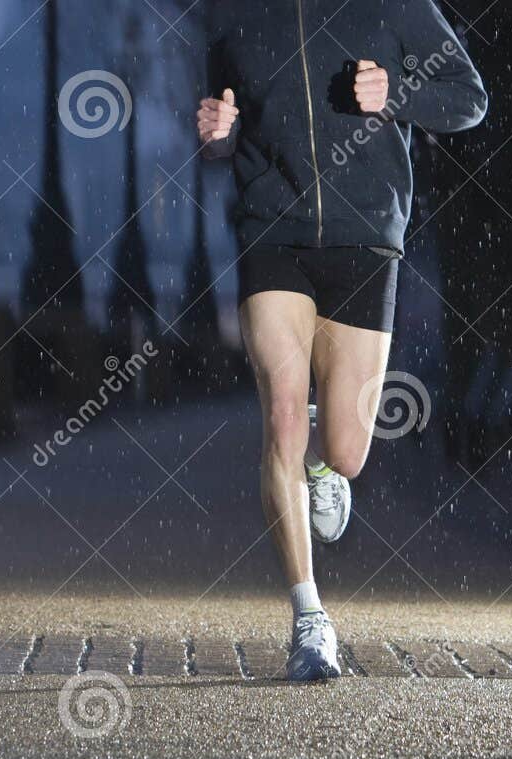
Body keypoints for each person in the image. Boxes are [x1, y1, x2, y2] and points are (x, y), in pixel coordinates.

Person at [197, 1, 487, 681]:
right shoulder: (232, 16)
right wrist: (216, 136)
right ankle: (309, 618)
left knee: (348, 452)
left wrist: (399, 94)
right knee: (282, 417)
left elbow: (469, 99)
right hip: (271, 230)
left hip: (366, 236)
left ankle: (325, 465)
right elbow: (224, 130)